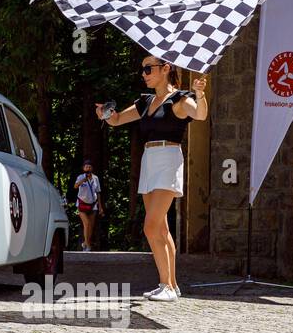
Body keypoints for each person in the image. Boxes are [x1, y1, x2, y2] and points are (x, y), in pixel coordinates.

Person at [96, 56, 208, 302]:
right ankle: (173, 285)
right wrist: (105, 114)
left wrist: (200, 94)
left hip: (168, 159)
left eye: (149, 68)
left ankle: (165, 285)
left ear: (166, 69)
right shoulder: (145, 102)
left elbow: (200, 115)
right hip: (150, 160)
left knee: (151, 226)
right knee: (162, 227)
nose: (144, 73)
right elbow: (116, 121)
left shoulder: (180, 100)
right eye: (142, 69)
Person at [70, 160, 102, 251]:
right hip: (82, 204)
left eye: (89, 166)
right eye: (86, 166)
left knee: (91, 226)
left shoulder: (96, 178)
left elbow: (98, 192)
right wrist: (83, 180)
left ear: (92, 168)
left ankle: (85, 242)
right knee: (86, 223)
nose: (88, 168)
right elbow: (75, 186)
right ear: (83, 168)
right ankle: (88, 245)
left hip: (93, 204)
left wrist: (100, 207)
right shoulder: (80, 177)